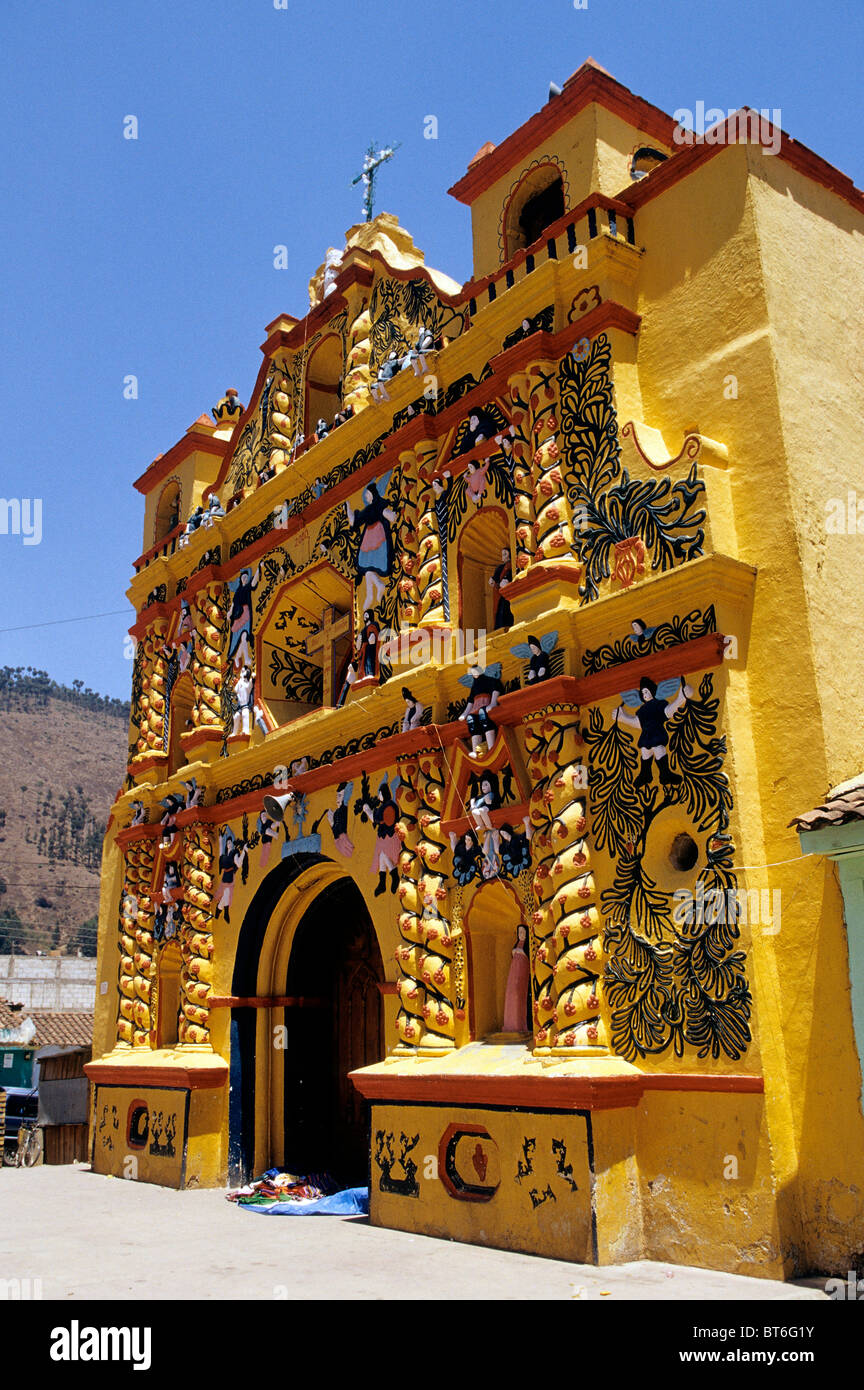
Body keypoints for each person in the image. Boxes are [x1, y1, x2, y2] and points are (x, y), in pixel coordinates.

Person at [348, 482, 397, 610]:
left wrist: (347, 508)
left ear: (371, 495)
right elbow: (391, 516)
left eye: (367, 495)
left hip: (373, 539)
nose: (365, 497)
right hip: (377, 538)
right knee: (368, 570)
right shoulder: (379, 506)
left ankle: (375, 590)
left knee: (368, 566)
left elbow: (354, 521)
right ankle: (372, 593)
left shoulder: (371, 509)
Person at [461, 663, 503, 756]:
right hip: (475, 707)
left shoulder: (488, 680)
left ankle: (492, 747)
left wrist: (492, 703)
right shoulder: (474, 686)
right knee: (471, 719)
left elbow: (496, 688)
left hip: (485, 703)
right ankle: (476, 751)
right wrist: (465, 713)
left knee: (483, 715)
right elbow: (470, 701)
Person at [501, 923, 531, 1033]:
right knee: (511, 995)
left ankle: (520, 1024)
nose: (521, 934)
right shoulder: (517, 945)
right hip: (513, 974)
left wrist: (520, 952)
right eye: (519, 933)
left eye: (523, 932)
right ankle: (510, 1024)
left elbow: (528, 956)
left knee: (519, 995)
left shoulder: (526, 946)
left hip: (522, 975)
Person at [489, 548, 513, 629]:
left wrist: (507, 579)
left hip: (508, 592)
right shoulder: (500, 567)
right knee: (499, 610)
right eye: (502, 554)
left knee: (506, 609)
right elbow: (496, 577)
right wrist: (492, 579)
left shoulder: (511, 565)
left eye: (505, 554)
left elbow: (511, 574)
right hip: (500, 593)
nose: (503, 556)